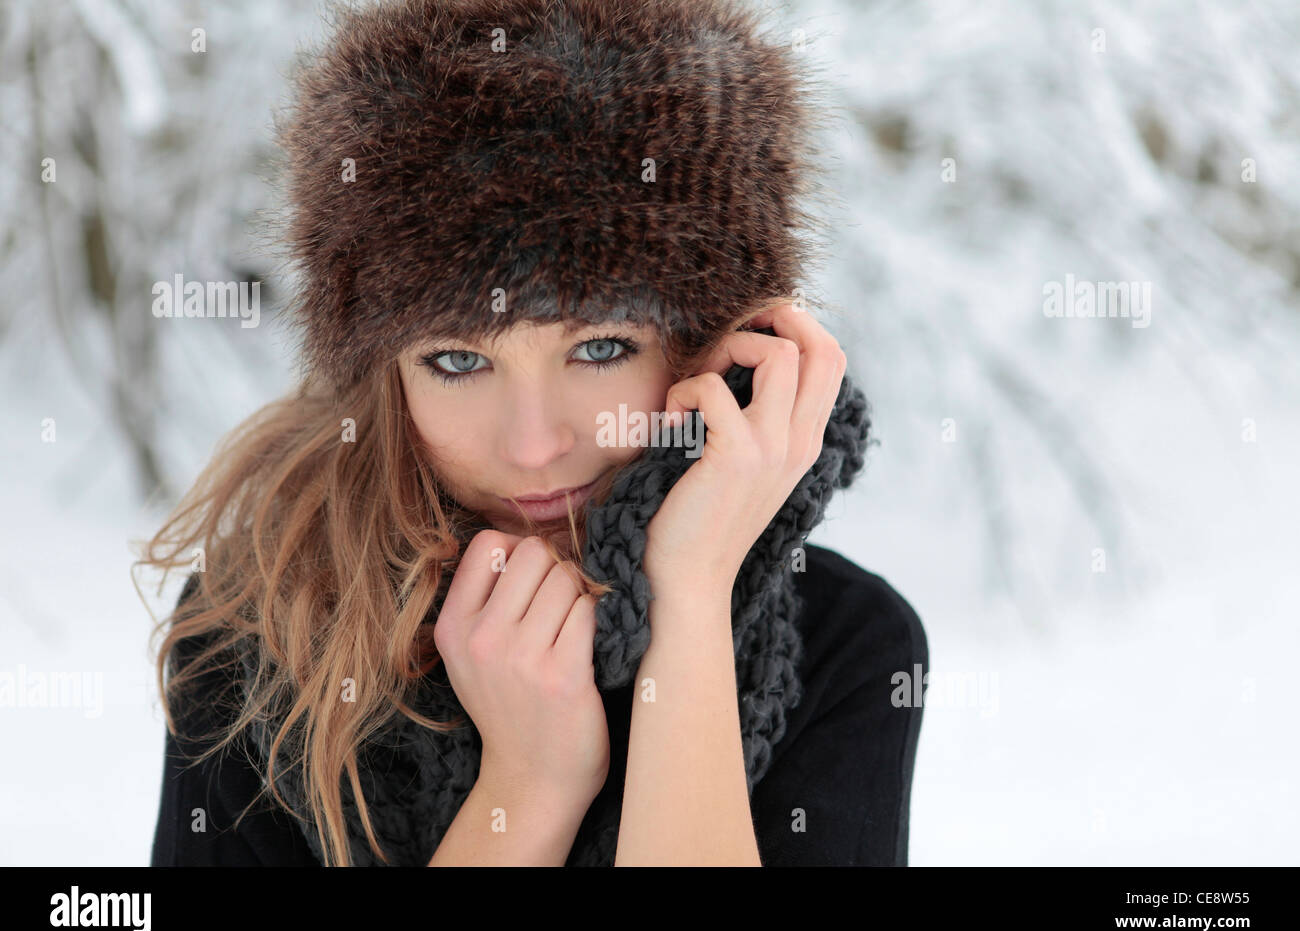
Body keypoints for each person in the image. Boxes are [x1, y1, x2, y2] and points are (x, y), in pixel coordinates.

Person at [138, 0, 929, 867]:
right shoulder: (259, 639)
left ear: (720, 340)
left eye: (599, 347)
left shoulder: (849, 648)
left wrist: (691, 606)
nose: (530, 447)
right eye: (455, 362)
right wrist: (531, 786)